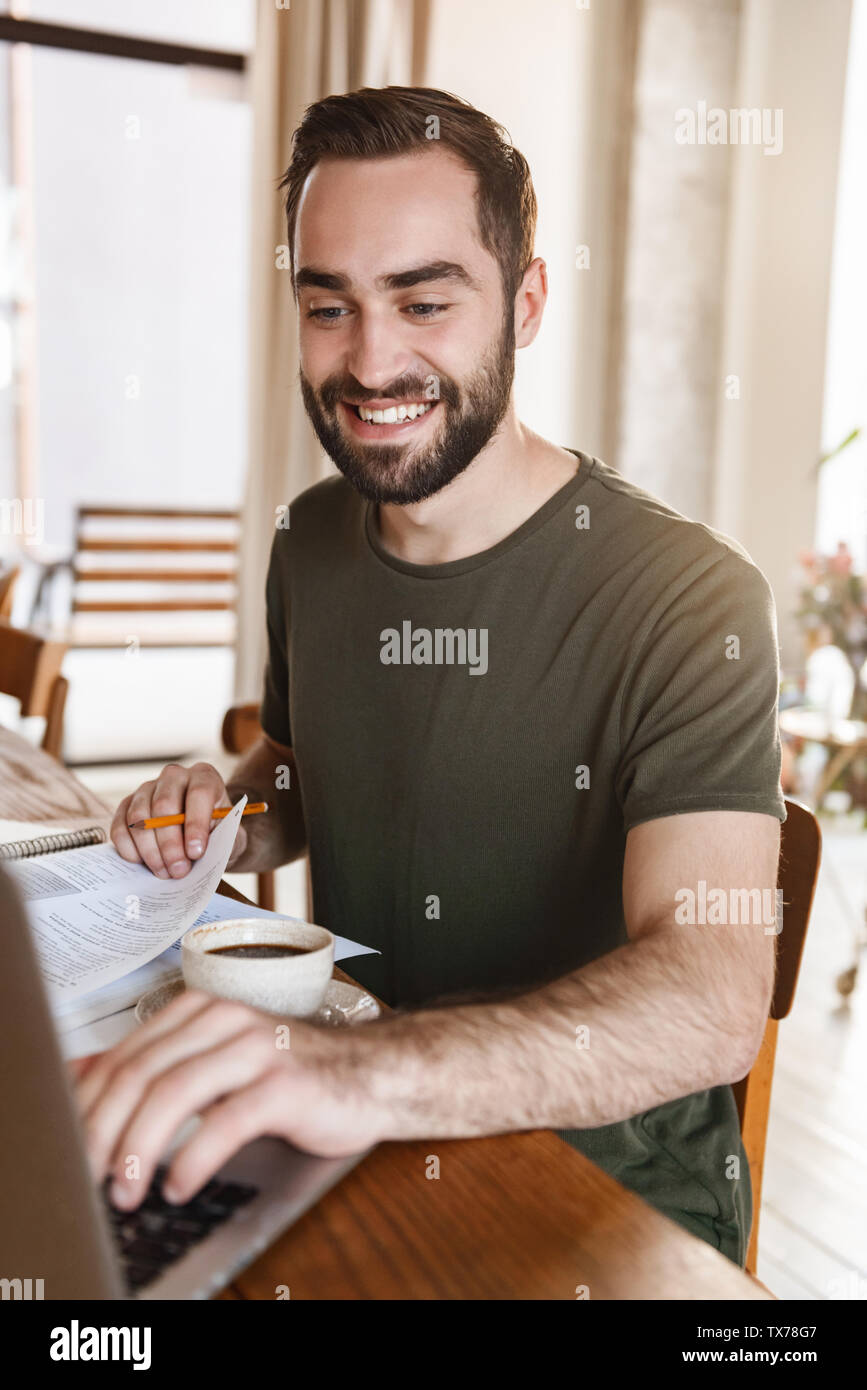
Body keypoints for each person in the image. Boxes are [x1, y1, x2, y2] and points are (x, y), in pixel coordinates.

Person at [77, 87, 785, 1268]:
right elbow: (305, 775)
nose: (369, 359)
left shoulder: (693, 597)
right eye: (329, 305)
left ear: (527, 302)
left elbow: (712, 999)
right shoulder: (309, 539)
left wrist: (365, 1072)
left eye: (423, 299)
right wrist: (223, 818)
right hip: (340, 1128)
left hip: (602, 1201)